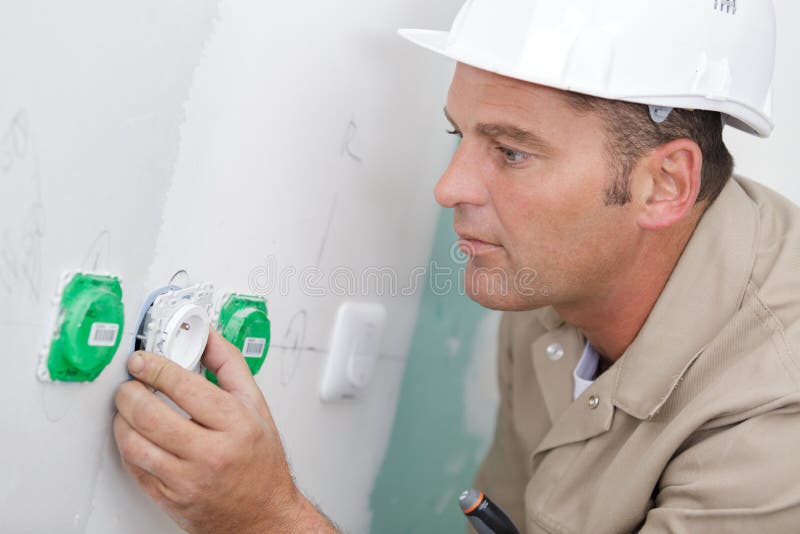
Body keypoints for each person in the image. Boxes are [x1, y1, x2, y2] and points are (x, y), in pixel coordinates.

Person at [114, 0, 800, 532]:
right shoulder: (550, 289)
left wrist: (266, 519)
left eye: (511, 153)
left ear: (665, 185)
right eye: (458, 134)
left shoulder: (774, 427)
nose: (449, 188)